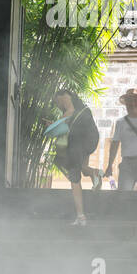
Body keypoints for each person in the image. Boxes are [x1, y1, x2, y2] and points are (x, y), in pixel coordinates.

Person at [49, 89, 102, 225]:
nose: (58, 106)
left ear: (60, 97)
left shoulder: (68, 104)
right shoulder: (81, 107)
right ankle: (94, 173)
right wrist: (56, 125)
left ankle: (81, 216)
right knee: (83, 169)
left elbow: (69, 116)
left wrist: (55, 125)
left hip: (80, 141)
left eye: (56, 102)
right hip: (89, 139)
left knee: (74, 174)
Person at [104, 88, 137, 191]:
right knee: (123, 196)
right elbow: (115, 144)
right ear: (125, 104)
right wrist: (110, 165)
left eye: (135, 100)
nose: (132, 104)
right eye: (129, 101)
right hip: (127, 164)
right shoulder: (120, 123)